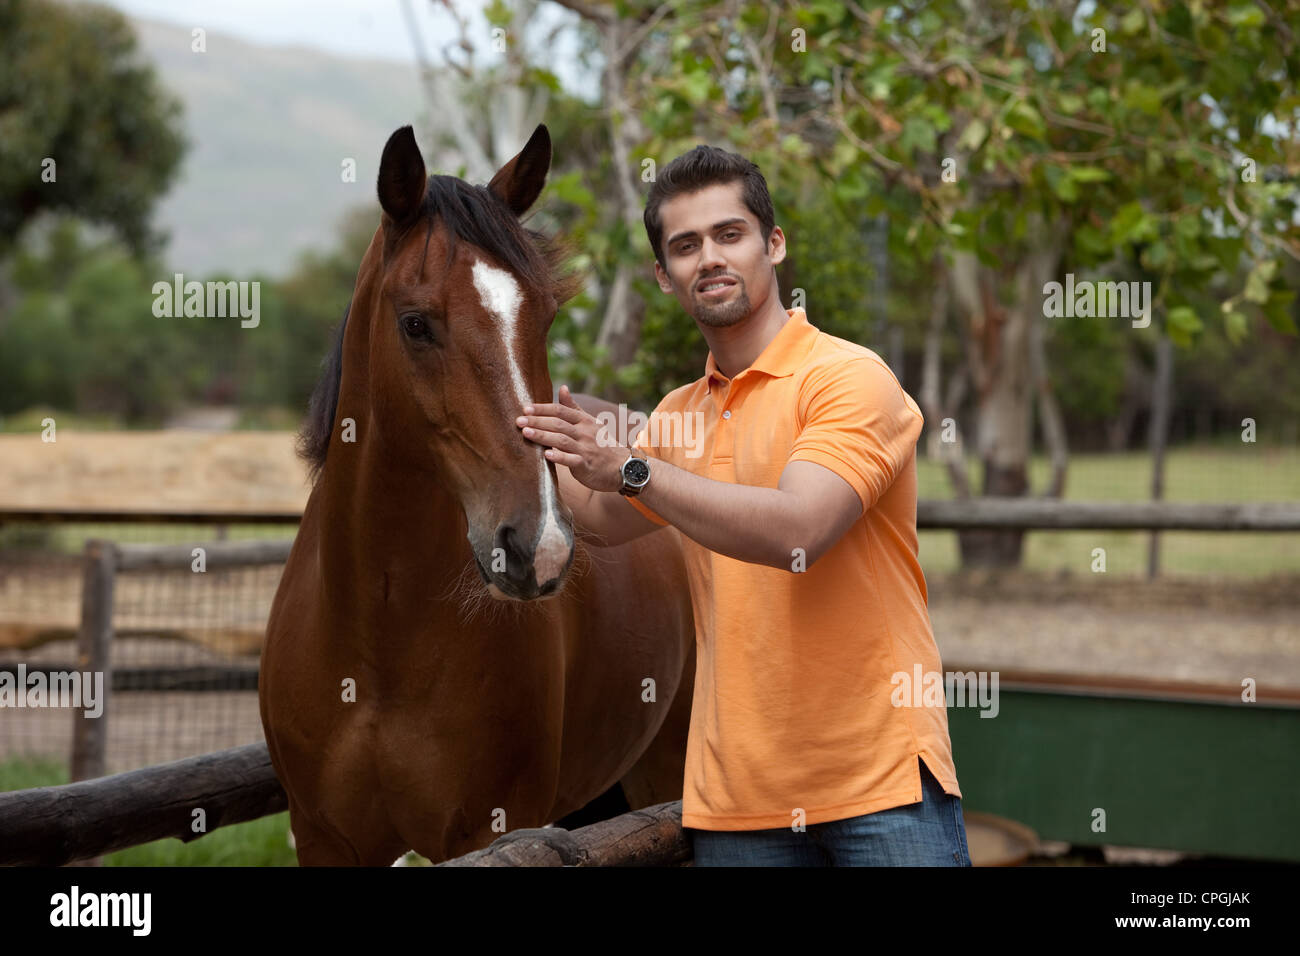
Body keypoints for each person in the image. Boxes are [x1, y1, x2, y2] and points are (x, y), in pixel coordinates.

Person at [514, 144, 971, 867]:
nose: (711, 258)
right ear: (665, 277)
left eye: (730, 234)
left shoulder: (848, 379)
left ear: (774, 243)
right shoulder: (679, 413)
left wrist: (630, 466)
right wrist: (524, 436)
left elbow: (800, 530)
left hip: (879, 788)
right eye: (686, 246)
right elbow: (603, 521)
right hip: (736, 806)